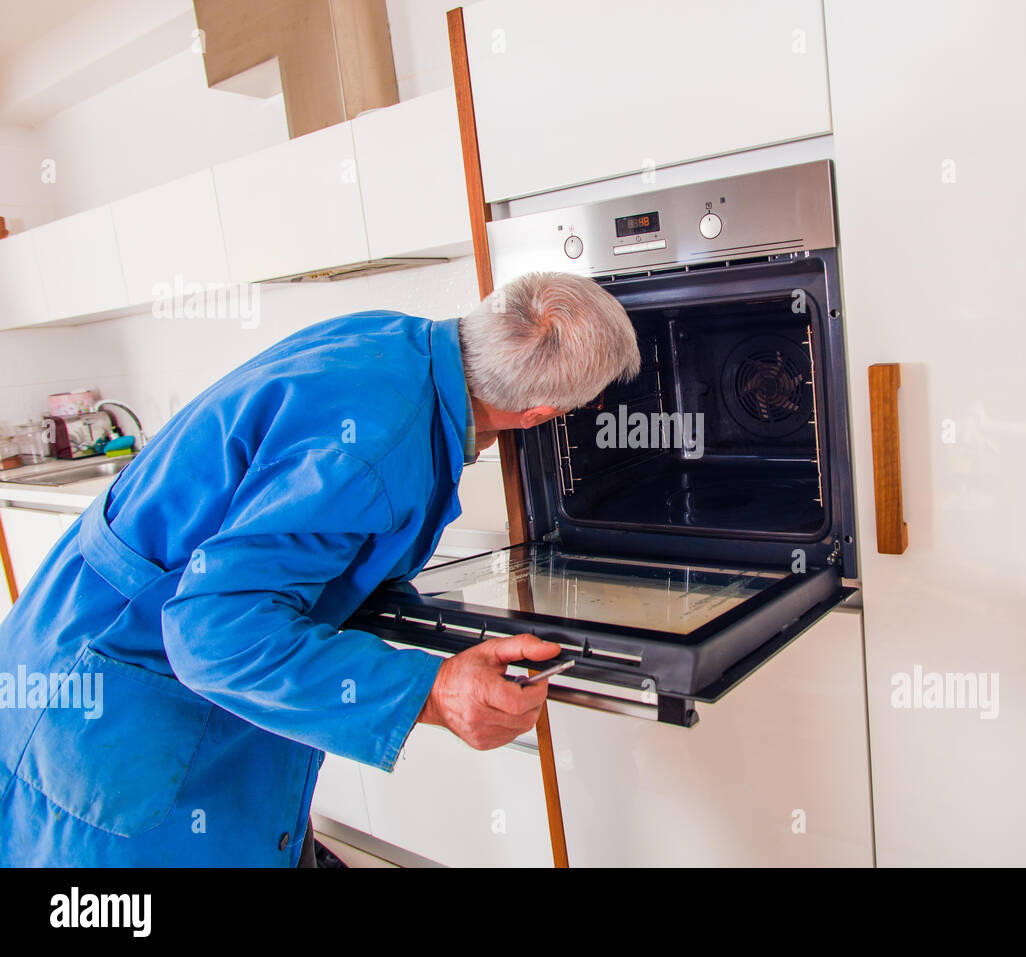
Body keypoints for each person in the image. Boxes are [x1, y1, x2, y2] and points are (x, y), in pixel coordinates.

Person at [0, 271, 640, 866]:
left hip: (82, 630)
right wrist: (434, 690)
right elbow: (214, 634)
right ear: (538, 415)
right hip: (121, 695)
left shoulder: (393, 339)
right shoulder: (372, 453)